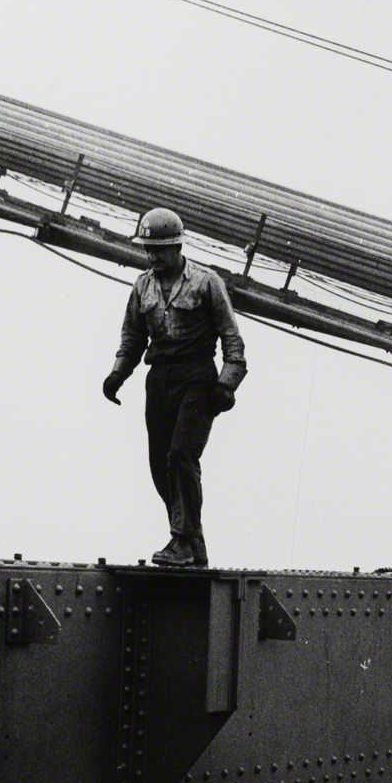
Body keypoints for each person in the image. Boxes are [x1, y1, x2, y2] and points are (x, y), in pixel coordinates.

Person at [102, 208, 247, 568]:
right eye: (147, 249)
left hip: (197, 378)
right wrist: (117, 375)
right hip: (160, 379)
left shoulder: (205, 282)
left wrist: (226, 386)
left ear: (177, 246)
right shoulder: (142, 286)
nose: (151, 256)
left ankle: (181, 541)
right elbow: (133, 338)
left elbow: (233, 341)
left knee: (182, 454)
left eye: (159, 249)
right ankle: (191, 541)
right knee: (159, 463)